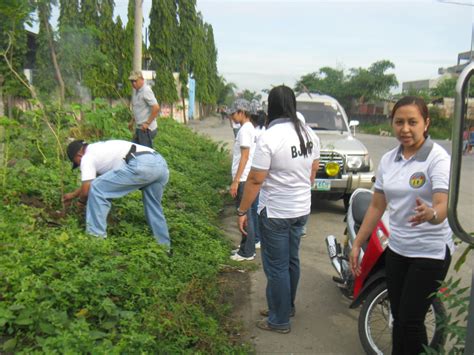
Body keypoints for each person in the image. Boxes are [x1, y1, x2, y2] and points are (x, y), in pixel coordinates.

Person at [350, 96, 454, 354]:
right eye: (399, 122)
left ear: (426, 123)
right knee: (401, 316)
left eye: (412, 122)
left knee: (409, 319)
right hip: (398, 249)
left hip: (430, 252)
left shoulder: (437, 158)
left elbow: (443, 205)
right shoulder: (388, 160)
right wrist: (357, 243)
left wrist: (431, 213)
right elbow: (376, 206)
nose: (405, 129)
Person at [237, 85, 320, 333]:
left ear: (271, 107)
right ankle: (285, 307)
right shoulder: (309, 135)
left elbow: (255, 180)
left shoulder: (269, 137)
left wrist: (242, 211)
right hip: (301, 209)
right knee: (292, 260)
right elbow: (312, 174)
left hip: (276, 212)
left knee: (277, 267)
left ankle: (279, 320)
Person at [63, 139, 170, 248]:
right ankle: (165, 247)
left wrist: (80, 203)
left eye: (76, 162)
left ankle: (95, 240)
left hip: (141, 164)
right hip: (159, 164)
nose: (78, 164)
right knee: (153, 207)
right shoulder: (99, 150)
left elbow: (87, 190)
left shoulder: (87, 158)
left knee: (98, 189)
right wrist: (73, 195)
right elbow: (90, 182)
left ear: (79, 154)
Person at [229, 99, 257, 261]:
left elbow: (244, 157)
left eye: (233, 113)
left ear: (242, 112)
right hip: (246, 177)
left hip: (244, 178)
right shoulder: (248, 128)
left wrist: (236, 181)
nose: (232, 116)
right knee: (248, 214)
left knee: (245, 215)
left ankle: (247, 251)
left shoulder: (245, 130)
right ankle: (246, 247)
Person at [128, 70, 160, 148]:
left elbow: (156, 108)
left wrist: (147, 123)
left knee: (145, 154)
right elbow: (138, 108)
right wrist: (132, 121)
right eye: (132, 81)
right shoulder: (136, 91)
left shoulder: (146, 90)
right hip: (140, 128)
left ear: (142, 79)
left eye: (135, 81)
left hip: (146, 129)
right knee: (133, 150)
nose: (133, 83)